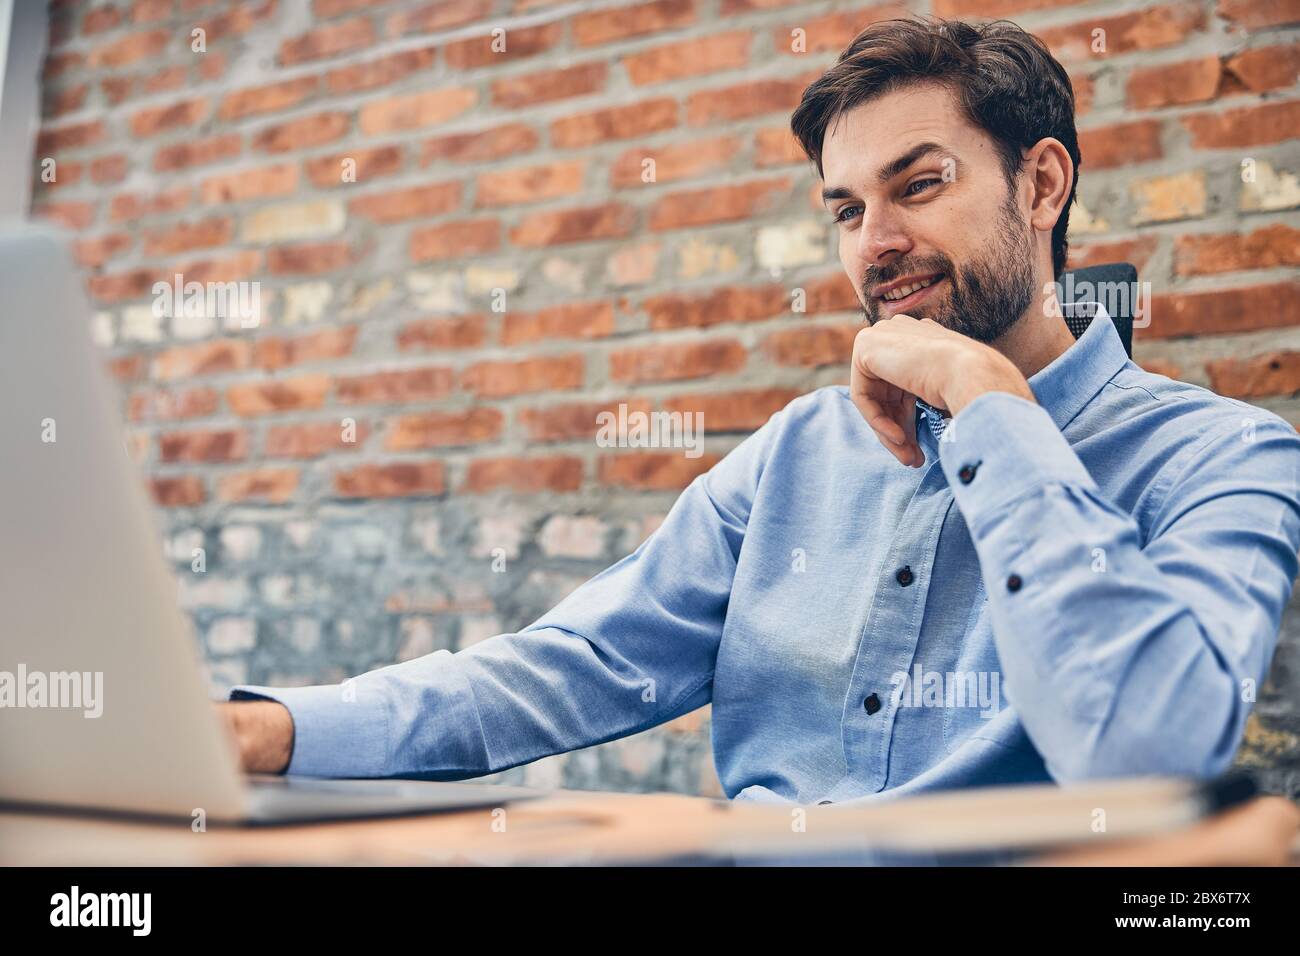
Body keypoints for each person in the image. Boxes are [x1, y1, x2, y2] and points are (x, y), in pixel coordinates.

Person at [216, 17, 1300, 806]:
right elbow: (566, 667)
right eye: (846, 208)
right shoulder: (796, 453)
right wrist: (268, 728)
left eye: (917, 187)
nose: (873, 244)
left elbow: (1147, 748)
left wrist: (985, 401)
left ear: (1043, 183)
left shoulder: (1222, 457)